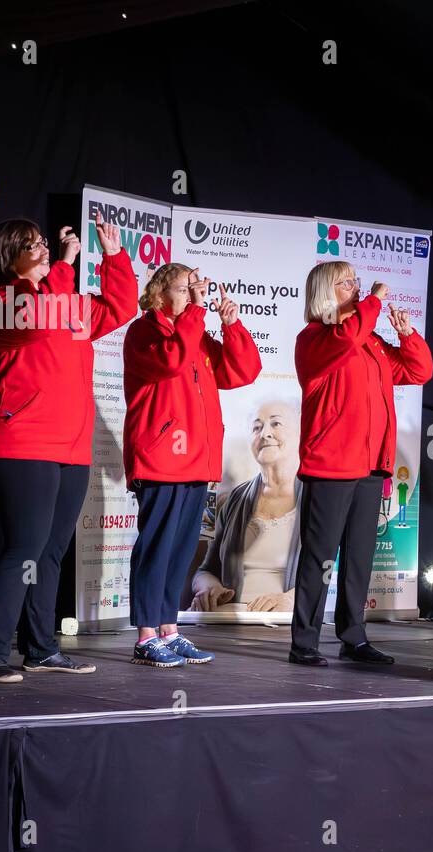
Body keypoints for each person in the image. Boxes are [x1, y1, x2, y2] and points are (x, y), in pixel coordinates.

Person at [0, 220, 137, 683]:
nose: (44, 250)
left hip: (70, 445)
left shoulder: (68, 304)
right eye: (32, 246)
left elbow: (120, 306)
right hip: (21, 441)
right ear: (8, 256)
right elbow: (40, 320)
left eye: (44, 243)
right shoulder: (1, 304)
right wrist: (63, 265)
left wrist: (113, 256)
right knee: (23, 547)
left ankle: (41, 648)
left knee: (50, 553)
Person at [289, 263, 433, 667]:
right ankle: (304, 642)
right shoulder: (316, 339)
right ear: (325, 292)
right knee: (320, 557)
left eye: (356, 281)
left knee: (359, 558)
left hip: (371, 467)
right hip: (332, 465)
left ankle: (353, 636)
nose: (356, 287)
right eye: (346, 282)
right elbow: (346, 337)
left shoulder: (369, 343)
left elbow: (419, 370)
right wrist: (372, 300)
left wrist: (406, 334)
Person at [123, 264, 262, 666]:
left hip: (197, 459)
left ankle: (170, 630)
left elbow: (242, 371)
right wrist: (197, 313)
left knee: (181, 551)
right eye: (184, 287)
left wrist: (232, 325)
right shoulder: (144, 331)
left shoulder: (194, 332)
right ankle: (146, 634)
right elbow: (171, 362)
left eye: (194, 287)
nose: (193, 293)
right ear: (160, 292)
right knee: (157, 546)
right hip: (161, 456)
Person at [191, 400, 303, 614]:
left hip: (292, 623)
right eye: (257, 427)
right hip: (228, 621)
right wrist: (209, 588)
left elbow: (335, 572)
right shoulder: (227, 500)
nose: (265, 434)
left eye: (276, 424)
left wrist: (293, 599)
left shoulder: (320, 499)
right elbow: (203, 571)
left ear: (300, 435)